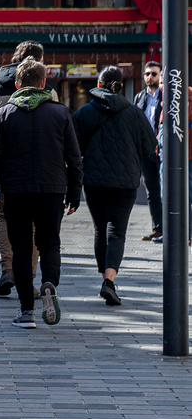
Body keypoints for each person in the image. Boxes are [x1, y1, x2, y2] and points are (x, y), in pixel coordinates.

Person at [0, 59, 83, 328]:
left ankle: (27, 310)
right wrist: (74, 193)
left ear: (16, 84)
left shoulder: (5, 114)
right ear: (43, 83)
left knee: (22, 249)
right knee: (50, 243)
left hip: (16, 190)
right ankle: (49, 281)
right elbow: (74, 158)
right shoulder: (61, 113)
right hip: (52, 189)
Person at [74, 66, 158, 306]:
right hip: (126, 182)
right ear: (121, 85)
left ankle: (105, 280)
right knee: (117, 231)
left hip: (94, 181)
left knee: (101, 230)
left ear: (99, 85)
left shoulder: (86, 112)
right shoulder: (134, 113)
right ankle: (109, 282)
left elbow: (72, 145)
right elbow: (149, 150)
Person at [0, 41, 46, 296]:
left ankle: (7, 270)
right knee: (34, 222)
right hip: (39, 164)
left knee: (5, 217)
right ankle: (27, 277)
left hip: (5, 163)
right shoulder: (45, 89)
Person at [134, 61, 163, 241]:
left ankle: (171, 227)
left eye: (153, 74)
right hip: (146, 151)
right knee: (152, 191)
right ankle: (157, 228)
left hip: (163, 150)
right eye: (147, 74)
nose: (149, 77)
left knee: (166, 190)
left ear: (160, 76)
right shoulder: (139, 97)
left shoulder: (167, 96)